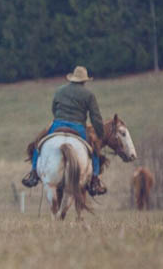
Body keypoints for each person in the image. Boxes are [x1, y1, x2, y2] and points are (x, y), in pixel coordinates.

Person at [21, 66, 108, 196]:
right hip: (78, 127)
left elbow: (54, 108)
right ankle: (95, 179)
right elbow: (95, 117)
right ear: (84, 81)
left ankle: (33, 173)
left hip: (58, 124)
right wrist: (100, 134)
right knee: (93, 151)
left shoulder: (59, 91)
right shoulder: (89, 95)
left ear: (72, 79)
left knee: (39, 145)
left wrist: (60, 117)